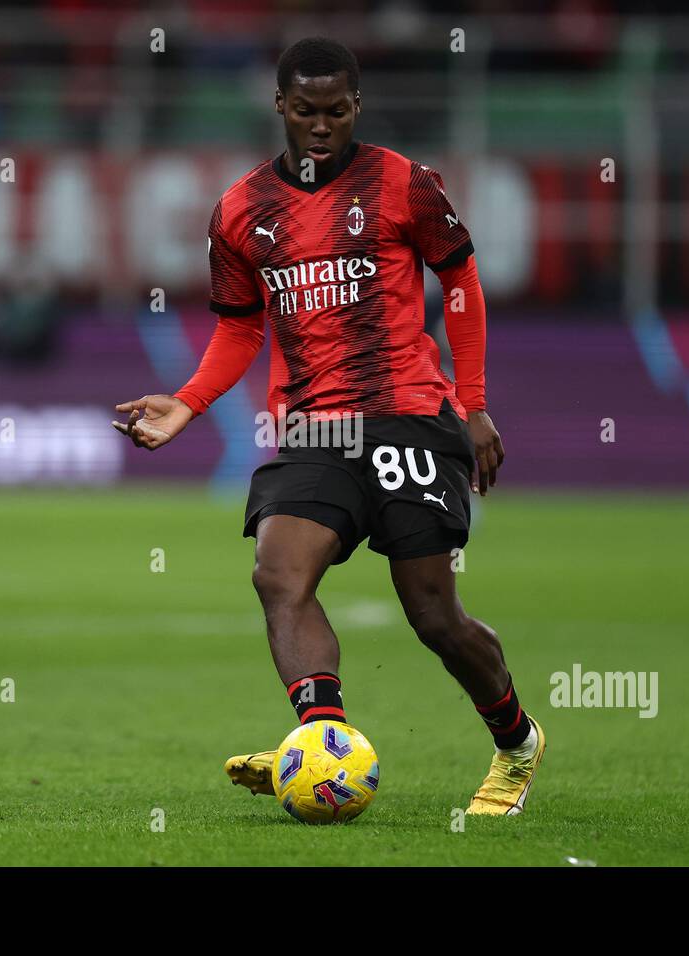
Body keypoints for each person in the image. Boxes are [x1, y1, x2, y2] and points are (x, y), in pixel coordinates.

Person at [112, 37, 543, 815]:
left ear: (357, 107)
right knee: (278, 576)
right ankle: (322, 746)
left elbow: (463, 282)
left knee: (433, 616)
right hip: (313, 426)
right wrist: (189, 401)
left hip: (410, 413)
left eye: (336, 112)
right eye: (306, 111)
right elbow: (242, 328)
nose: (321, 127)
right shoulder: (241, 213)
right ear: (280, 106)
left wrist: (473, 403)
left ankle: (516, 743)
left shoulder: (404, 183)